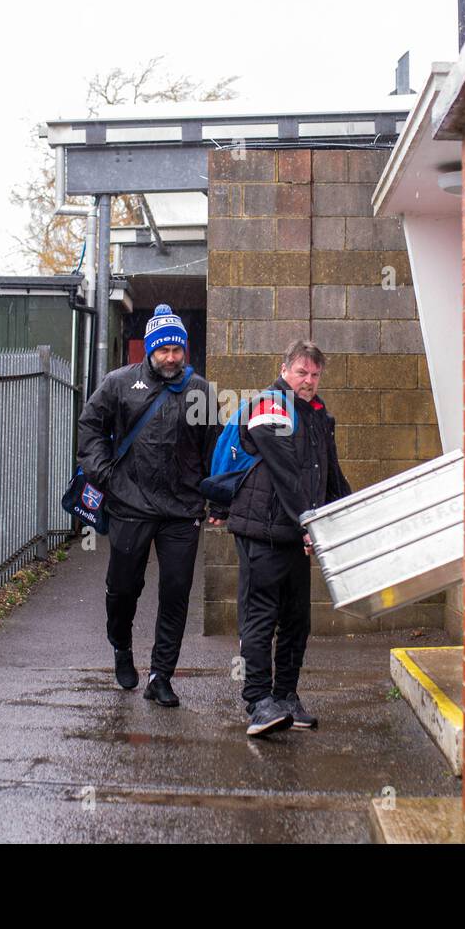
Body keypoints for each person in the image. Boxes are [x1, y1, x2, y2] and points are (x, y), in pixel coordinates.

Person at [76, 305, 217, 707]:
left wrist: (210, 497)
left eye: (178, 349)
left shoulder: (200, 391)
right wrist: (106, 476)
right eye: (164, 350)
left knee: (176, 592)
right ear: (150, 351)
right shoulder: (119, 384)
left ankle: (161, 675)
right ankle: (121, 646)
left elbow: (213, 448)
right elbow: (89, 428)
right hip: (130, 505)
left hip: (180, 511)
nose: (172, 357)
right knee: (123, 589)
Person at [211, 339, 351, 737]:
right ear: (284, 368)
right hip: (262, 530)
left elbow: (330, 477)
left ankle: (286, 697)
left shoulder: (319, 416)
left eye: (314, 374)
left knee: (296, 620)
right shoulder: (268, 406)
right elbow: (287, 475)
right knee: (260, 616)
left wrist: (348, 515)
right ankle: (258, 703)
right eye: (301, 372)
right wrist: (310, 523)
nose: (308, 381)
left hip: (292, 531)